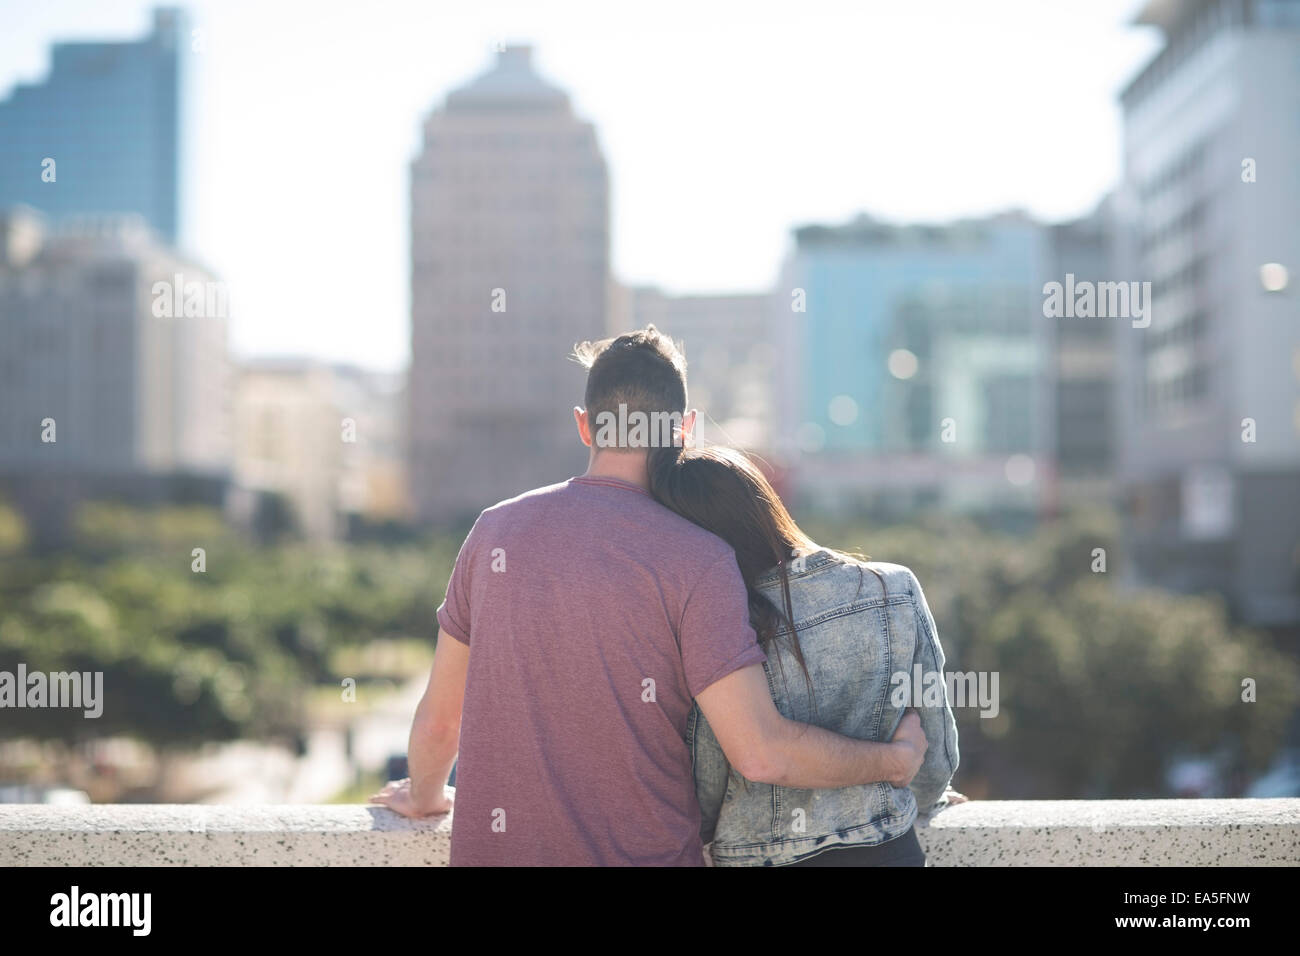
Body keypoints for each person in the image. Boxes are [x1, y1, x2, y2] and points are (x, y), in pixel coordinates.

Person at [370, 326, 929, 866]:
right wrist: (894, 762)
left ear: (585, 427)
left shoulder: (493, 533)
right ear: (684, 428)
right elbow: (761, 752)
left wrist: (424, 796)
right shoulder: (699, 558)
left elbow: (442, 721)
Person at [647, 443, 960, 866]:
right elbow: (933, 744)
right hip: (887, 849)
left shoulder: (722, 626)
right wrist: (926, 793)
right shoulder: (894, 589)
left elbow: (708, 778)